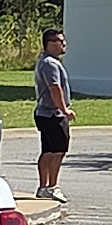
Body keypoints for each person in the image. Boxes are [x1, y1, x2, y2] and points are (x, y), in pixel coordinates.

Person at [34, 28, 73, 203]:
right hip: (52, 114)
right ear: (50, 44)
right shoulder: (50, 64)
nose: (64, 44)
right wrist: (64, 110)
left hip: (45, 113)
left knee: (48, 150)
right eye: (60, 41)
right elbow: (54, 88)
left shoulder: (46, 62)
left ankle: (44, 187)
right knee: (58, 151)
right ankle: (52, 186)